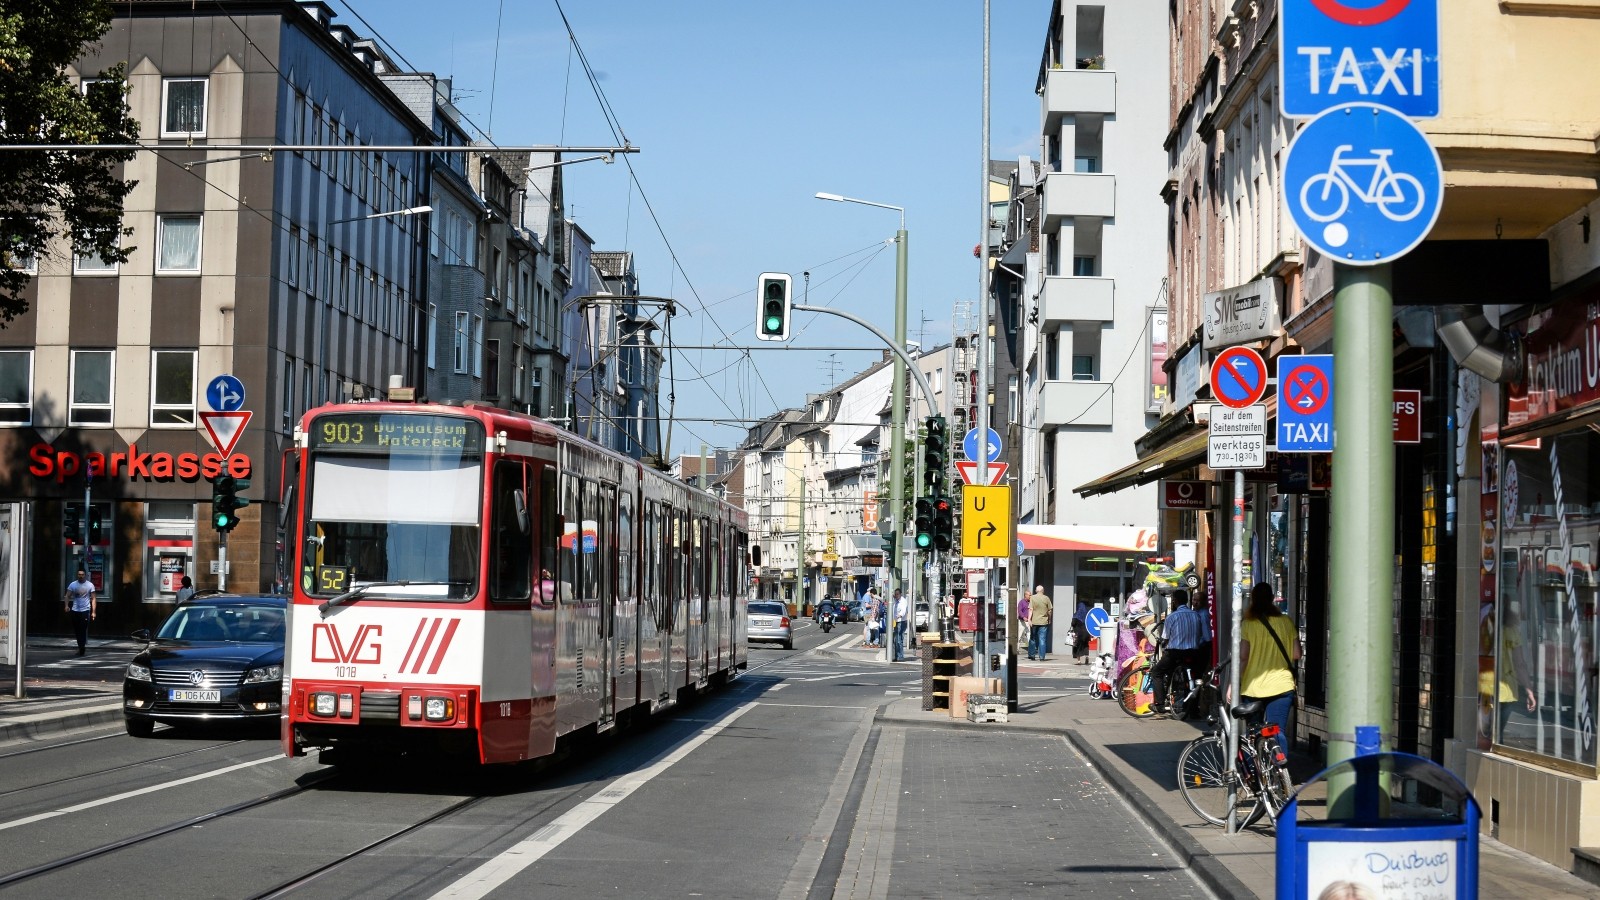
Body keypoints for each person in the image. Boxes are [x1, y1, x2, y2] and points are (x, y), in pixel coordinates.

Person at [1239, 582, 1299, 757]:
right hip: (1282, 686)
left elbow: (1244, 657)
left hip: (1253, 687)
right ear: (1273, 599)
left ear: (1253, 600)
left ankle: (1257, 779)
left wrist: (1233, 683)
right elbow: (1296, 654)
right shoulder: (1286, 622)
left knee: (1254, 733)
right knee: (1276, 730)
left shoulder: (1248, 624)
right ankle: (1281, 772)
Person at [1148, 590, 1203, 717]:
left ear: (1175, 601)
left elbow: (1166, 638)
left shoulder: (1172, 617)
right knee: (1194, 679)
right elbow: (1199, 634)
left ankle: (1160, 704)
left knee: (1157, 672)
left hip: (1175, 653)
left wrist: (1164, 642)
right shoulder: (1196, 615)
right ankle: (1194, 710)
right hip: (1193, 652)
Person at [64, 568, 97, 656]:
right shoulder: (73, 585)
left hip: (85, 610)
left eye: (82, 574)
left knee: (83, 629)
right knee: (77, 630)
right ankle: (80, 647)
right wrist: (66, 606)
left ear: (85, 575)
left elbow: (93, 598)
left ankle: (82, 647)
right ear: (77, 575)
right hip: (75, 610)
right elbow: (67, 596)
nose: (81, 576)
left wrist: (93, 612)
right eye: (79, 574)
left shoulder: (90, 585)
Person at [1027, 585, 1053, 661]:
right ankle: (1042, 657)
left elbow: (1030, 609)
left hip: (1034, 621)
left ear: (1036, 591)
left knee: (1033, 638)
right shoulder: (1046, 598)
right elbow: (1049, 611)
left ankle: (1032, 655)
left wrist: (1029, 619)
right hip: (1044, 622)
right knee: (1042, 639)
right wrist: (1049, 619)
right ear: (1043, 591)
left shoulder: (1033, 598)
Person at [892, 588, 909, 661]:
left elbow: (903, 610)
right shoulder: (895, 601)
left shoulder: (903, 601)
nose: (896, 595)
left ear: (900, 594)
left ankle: (900, 656)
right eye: (895, 594)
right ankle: (896, 656)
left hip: (901, 621)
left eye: (897, 594)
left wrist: (900, 615)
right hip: (896, 621)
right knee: (896, 639)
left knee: (899, 639)